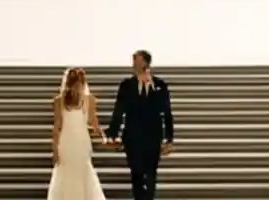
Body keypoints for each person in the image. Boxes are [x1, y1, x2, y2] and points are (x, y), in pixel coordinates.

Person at [106, 49, 175, 200]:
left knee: (151, 173)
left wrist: (169, 139)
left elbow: (167, 112)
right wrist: (112, 134)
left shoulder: (160, 85)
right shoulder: (126, 85)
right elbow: (119, 111)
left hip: (153, 136)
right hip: (132, 137)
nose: (133, 64)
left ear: (144, 62)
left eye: (136, 60)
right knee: (136, 173)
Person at [46, 67, 108, 200]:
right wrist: (55, 150)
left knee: (83, 172)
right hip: (66, 144)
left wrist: (103, 135)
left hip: (81, 143)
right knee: (66, 174)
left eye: (79, 84)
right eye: (73, 85)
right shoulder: (59, 101)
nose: (76, 89)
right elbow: (57, 126)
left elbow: (93, 121)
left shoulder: (89, 100)